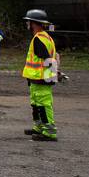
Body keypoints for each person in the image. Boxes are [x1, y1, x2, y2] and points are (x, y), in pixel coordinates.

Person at [21, 9, 59, 142]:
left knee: (43, 104)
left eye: (28, 22)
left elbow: (48, 59)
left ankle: (48, 132)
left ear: (34, 23)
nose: (27, 24)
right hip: (38, 77)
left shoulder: (39, 39)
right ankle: (39, 127)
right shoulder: (45, 37)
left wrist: (49, 78)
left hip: (41, 78)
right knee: (36, 104)